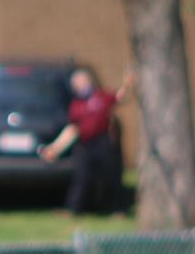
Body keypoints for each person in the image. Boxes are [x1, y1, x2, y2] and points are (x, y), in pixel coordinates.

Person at [41, 67, 133, 215]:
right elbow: (72, 130)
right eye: (76, 83)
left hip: (103, 142)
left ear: (89, 81)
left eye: (81, 81)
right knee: (81, 177)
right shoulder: (75, 105)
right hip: (84, 145)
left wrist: (128, 84)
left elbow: (121, 97)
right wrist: (55, 148)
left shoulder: (101, 97)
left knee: (111, 176)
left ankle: (117, 209)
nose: (79, 85)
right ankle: (73, 209)